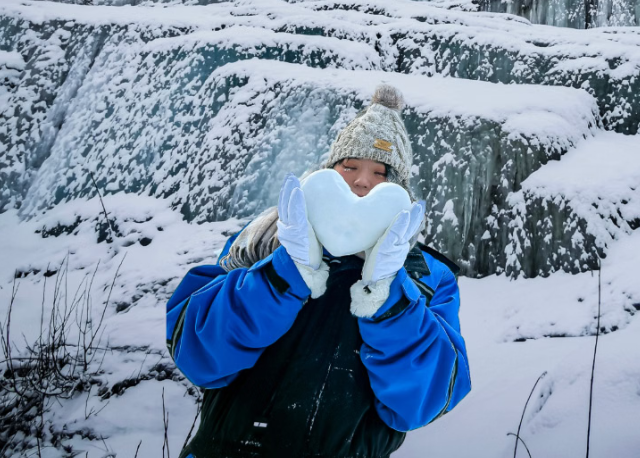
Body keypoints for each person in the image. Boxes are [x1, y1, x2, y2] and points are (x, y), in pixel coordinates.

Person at [166, 84, 471, 458]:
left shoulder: (427, 277)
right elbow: (198, 355)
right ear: (328, 171)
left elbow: (422, 403)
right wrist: (283, 273)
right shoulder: (261, 241)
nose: (362, 181)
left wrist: (388, 298)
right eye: (350, 166)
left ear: (400, 188)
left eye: (381, 172)